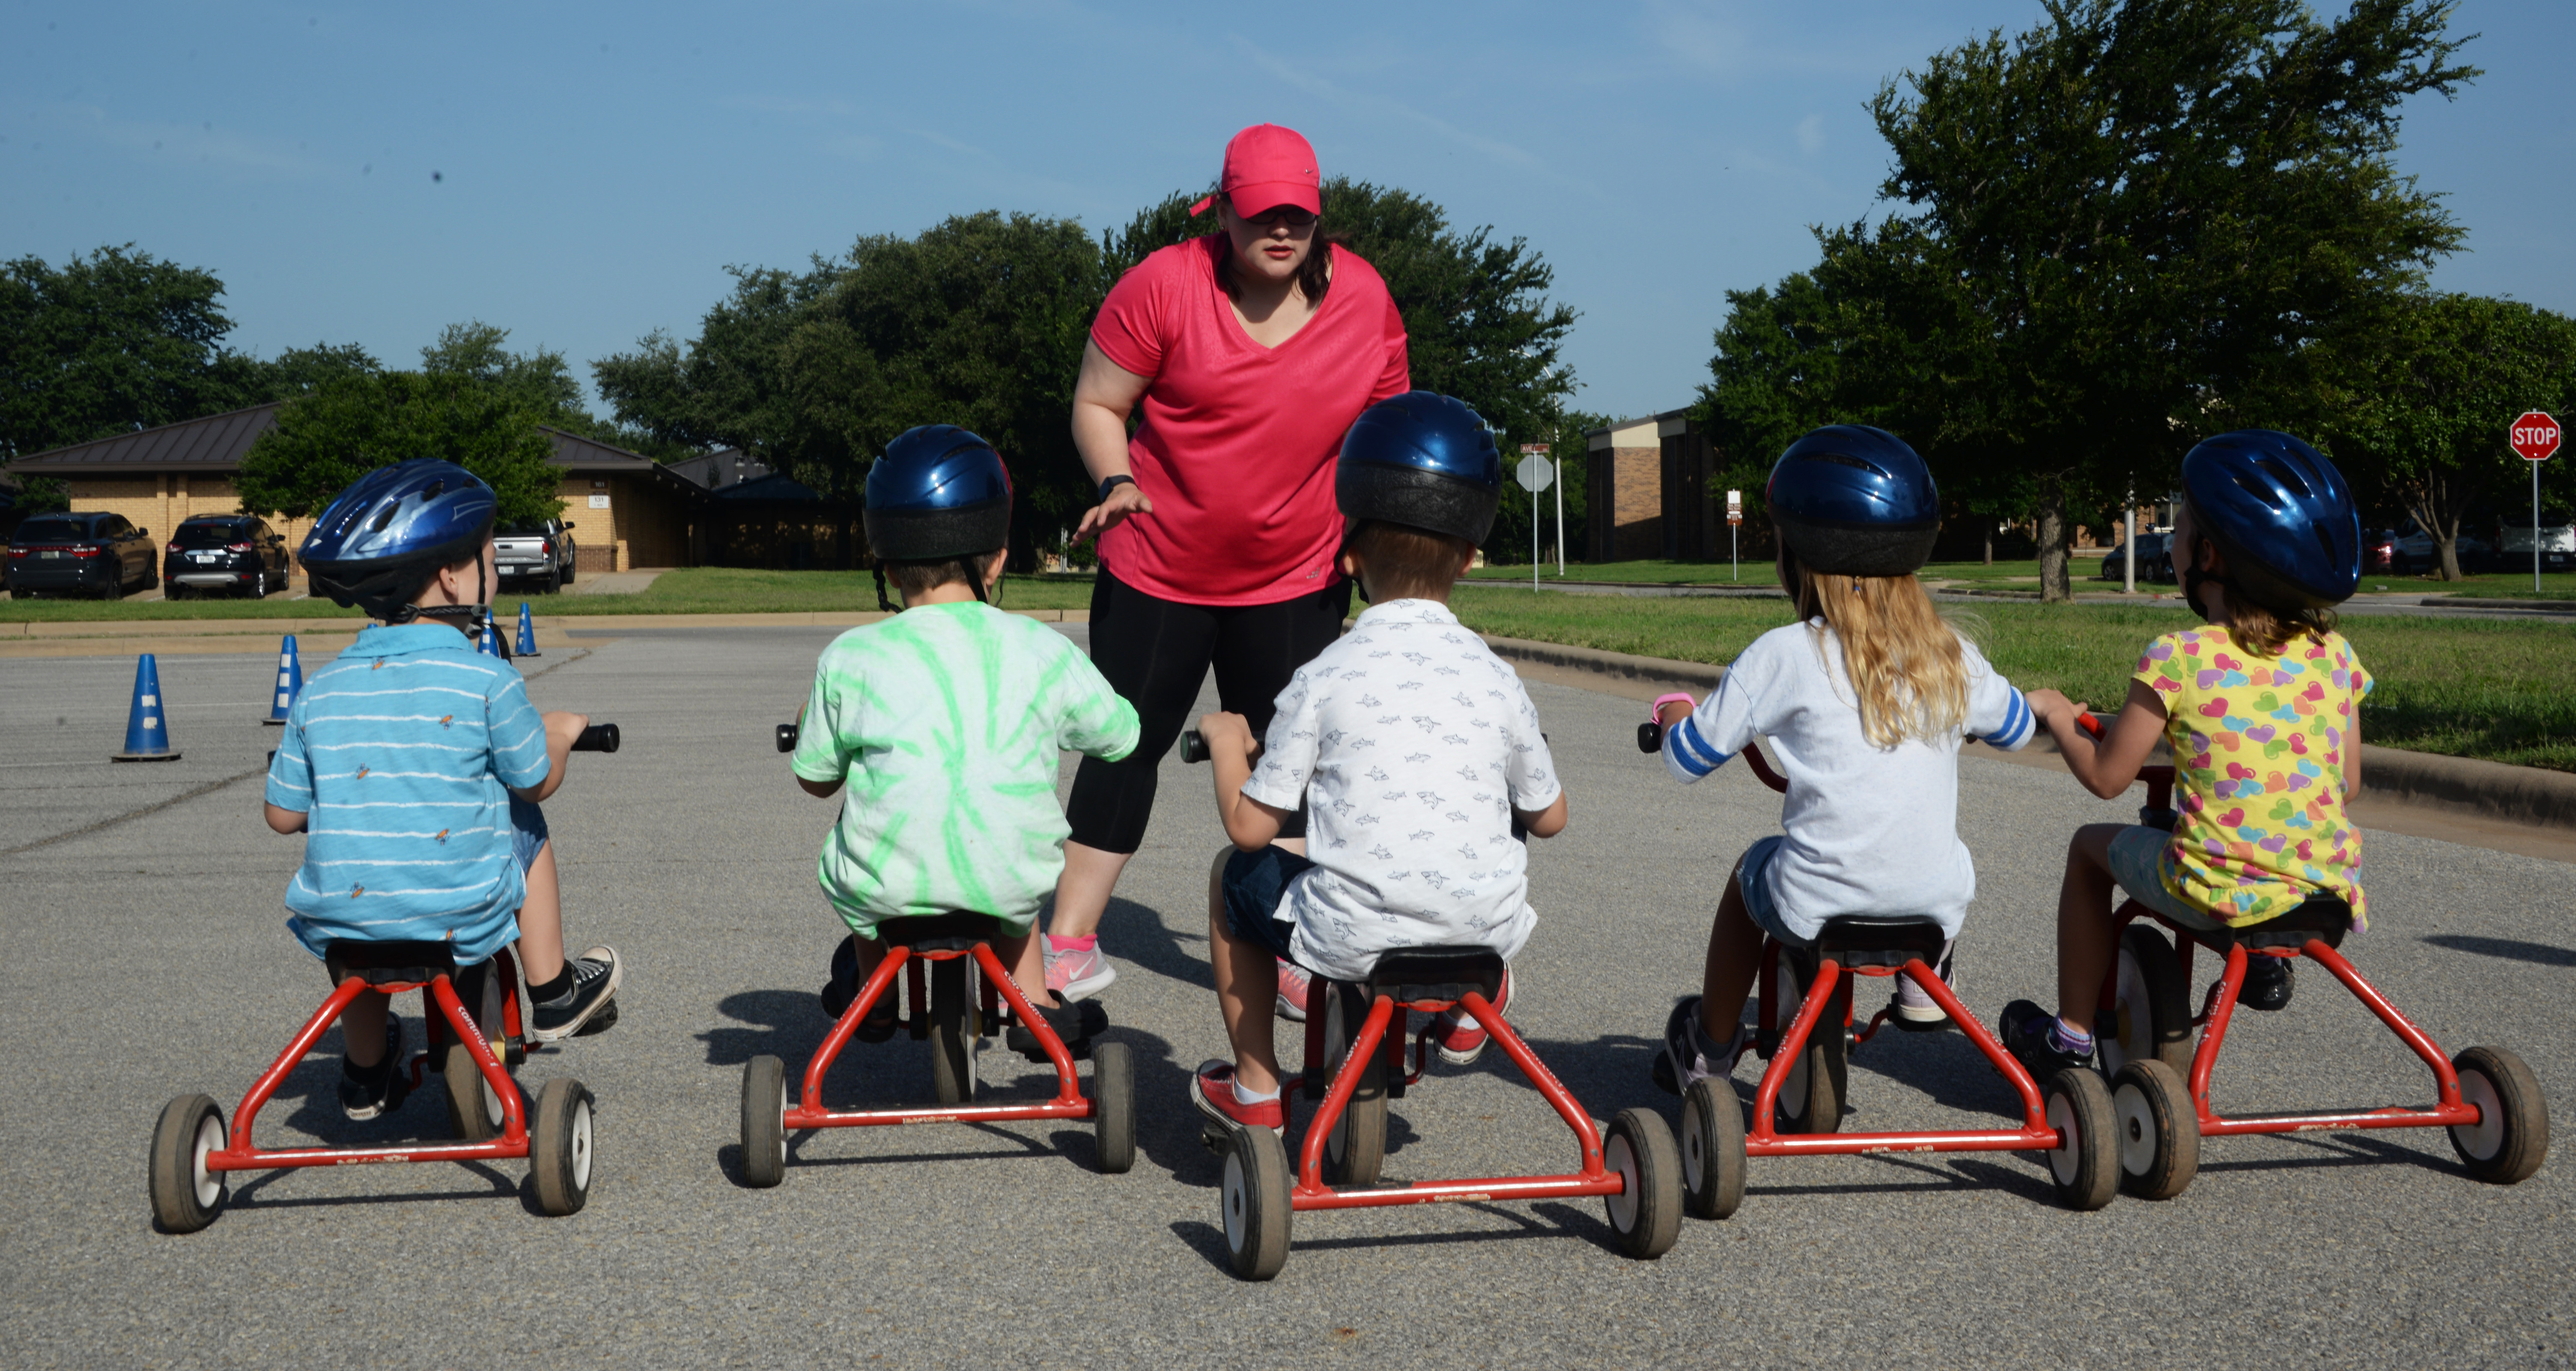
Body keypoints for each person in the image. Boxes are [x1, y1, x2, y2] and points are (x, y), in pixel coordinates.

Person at [1049, 122, 1412, 1012]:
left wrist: (1382, 547)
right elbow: (1098, 401)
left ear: (1319, 216)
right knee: (1122, 747)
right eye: (1259, 216)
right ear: (1224, 210)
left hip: (1295, 571)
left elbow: (1387, 435)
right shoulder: (1164, 284)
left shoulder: (1364, 299)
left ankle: (1292, 942)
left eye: (1297, 215)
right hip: (1157, 564)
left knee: (1296, 761)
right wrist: (1118, 476)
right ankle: (1066, 941)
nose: (1278, 232)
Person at [1187, 392, 1568, 1132]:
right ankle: (1466, 1006)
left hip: (1356, 933)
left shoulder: (1323, 677)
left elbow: (1250, 828)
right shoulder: (1497, 677)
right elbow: (1549, 818)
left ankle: (1258, 1085)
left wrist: (1231, 745)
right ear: (1467, 554)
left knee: (1233, 880)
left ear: (1350, 552)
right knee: (1496, 825)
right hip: (1483, 933)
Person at [1652, 426, 2040, 1091]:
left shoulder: (1782, 654)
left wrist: (1673, 715)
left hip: (1814, 901)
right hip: (1933, 905)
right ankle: (1924, 988)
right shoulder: (1949, 654)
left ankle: (1710, 1048)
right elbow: (2019, 729)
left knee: (1751, 870)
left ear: (1798, 554)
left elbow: (1686, 760)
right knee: (1936, 853)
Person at [2000, 431, 2370, 1075]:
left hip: (2219, 890)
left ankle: (2072, 1036)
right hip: (2324, 890)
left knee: (2090, 848)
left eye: (2178, 528)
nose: (2169, 542)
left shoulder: (2181, 656)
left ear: (2207, 554)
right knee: (2229, 829)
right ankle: (2266, 962)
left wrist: (2059, 715)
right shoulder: (2333, 655)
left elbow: (2108, 775)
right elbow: (2347, 782)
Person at [266, 460, 622, 1122]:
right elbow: (534, 775)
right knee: (521, 817)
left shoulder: (319, 693)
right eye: (490, 556)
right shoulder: (487, 680)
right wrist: (564, 734)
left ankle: (366, 1071)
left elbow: (283, 815)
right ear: (453, 576)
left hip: (346, 923)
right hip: (460, 907)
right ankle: (551, 987)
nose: (497, 569)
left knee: (358, 889)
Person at [792, 426, 1141, 1057]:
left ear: (889, 565)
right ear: (1000, 558)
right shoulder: (1040, 648)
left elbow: (816, 779)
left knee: (866, 840)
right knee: (1007, 844)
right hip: (1005, 879)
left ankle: (874, 992)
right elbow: (1120, 738)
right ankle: (1035, 1004)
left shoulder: (851, 657)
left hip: (888, 889)